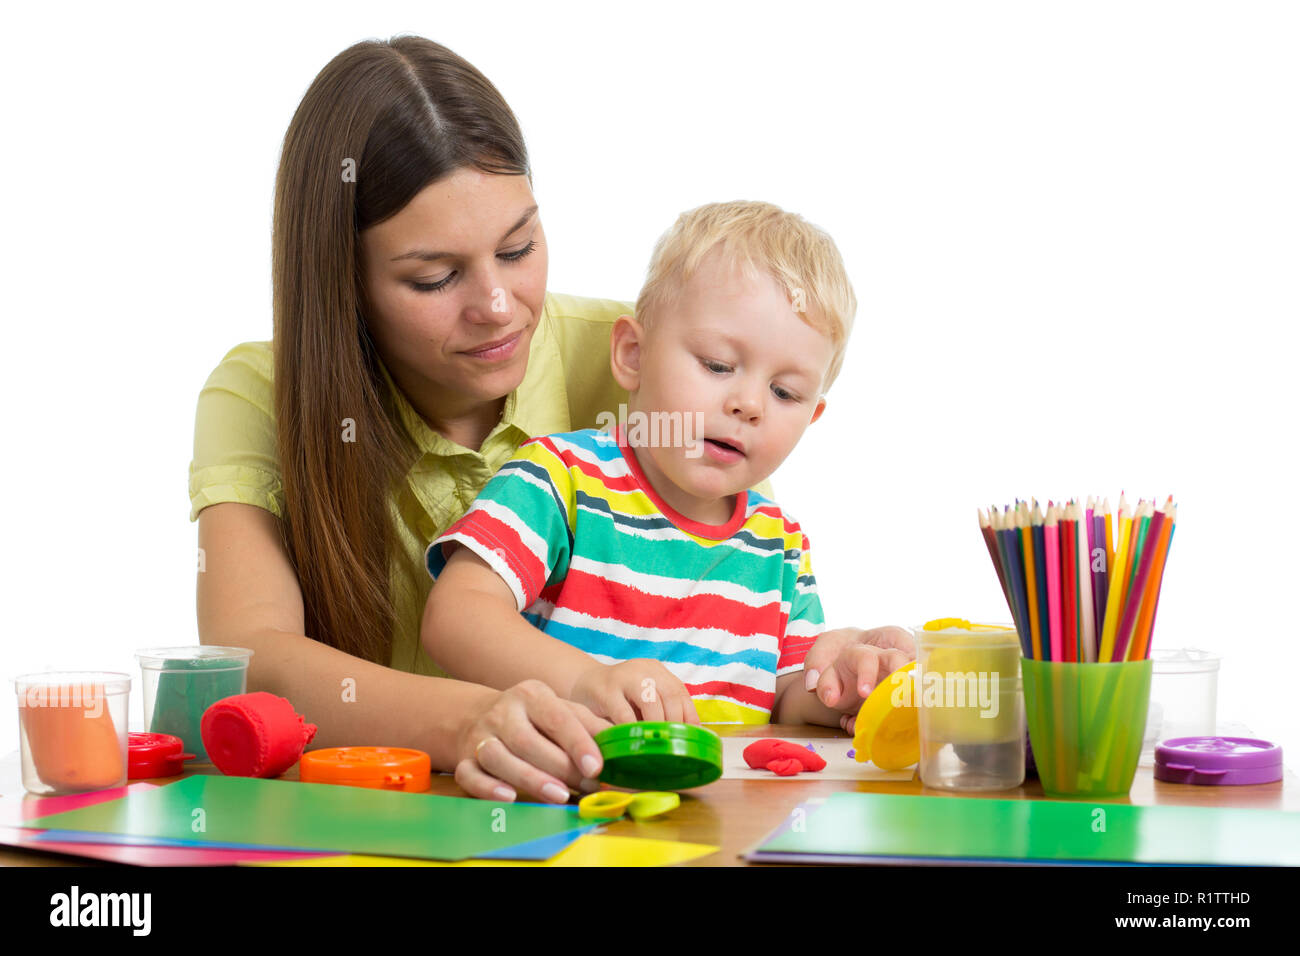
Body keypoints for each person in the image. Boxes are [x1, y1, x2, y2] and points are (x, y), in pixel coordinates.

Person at [192, 36, 912, 806]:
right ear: (346, 280)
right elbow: (250, 659)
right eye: (434, 276)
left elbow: (740, 592)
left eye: (519, 247)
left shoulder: (661, 363)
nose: (499, 308)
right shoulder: (264, 392)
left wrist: (836, 667)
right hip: (404, 807)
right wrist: (472, 718)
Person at [422, 201, 910, 728]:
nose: (750, 404)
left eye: (784, 392)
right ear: (633, 353)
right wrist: (587, 682)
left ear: (812, 417)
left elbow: (789, 697)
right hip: (566, 799)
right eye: (718, 365)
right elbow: (456, 618)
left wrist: (849, 683)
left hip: (724, 811)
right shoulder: (559, 479)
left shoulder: (781, 545)